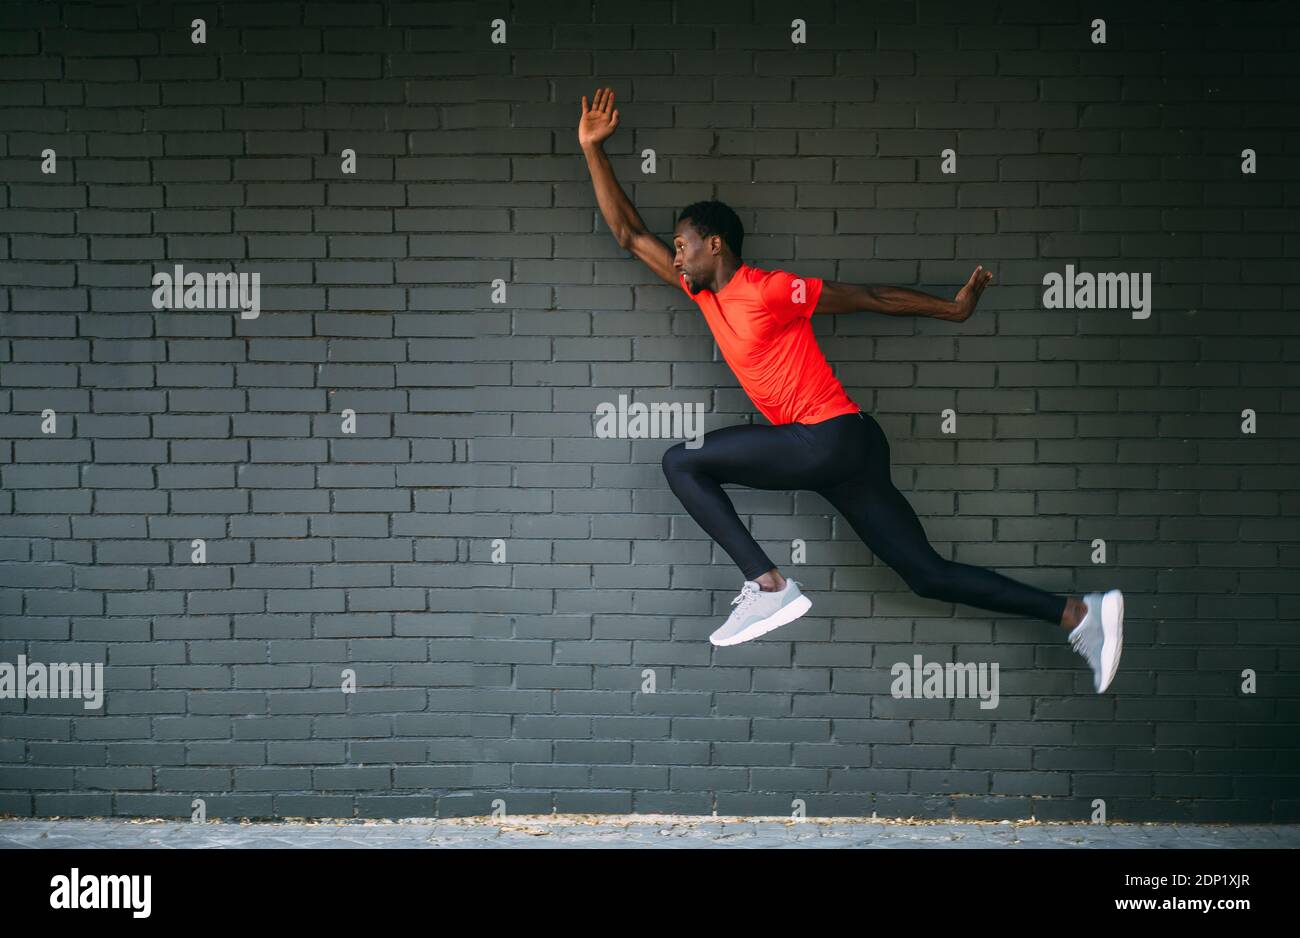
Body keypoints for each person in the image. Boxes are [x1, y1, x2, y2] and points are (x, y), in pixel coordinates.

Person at [578, 87, 1123, 693]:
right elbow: (629, 235)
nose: (675, 255)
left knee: (681, 462)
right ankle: (1079, 614)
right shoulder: (702, 294)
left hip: (828, 437)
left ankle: (768, 587)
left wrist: (952, 310)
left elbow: (865, 296)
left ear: (716, 245)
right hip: (850, 451)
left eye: (682, 244)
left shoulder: (769, 290)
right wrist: (592, 149)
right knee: (926, 575)